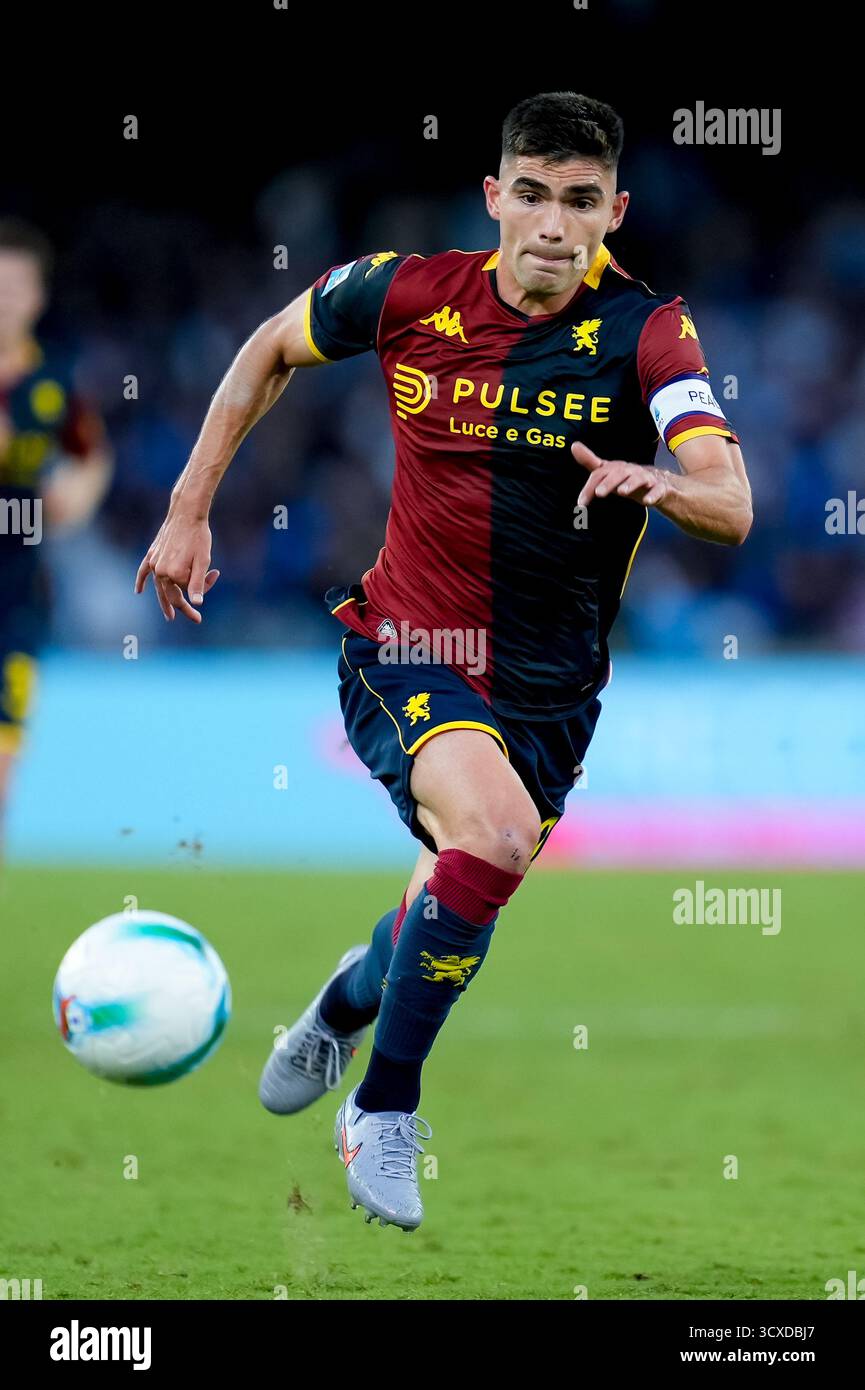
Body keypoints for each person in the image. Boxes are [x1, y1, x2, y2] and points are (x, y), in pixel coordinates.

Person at [135, 92, 752, 1231]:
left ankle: (340, 1004)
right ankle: (383, 1106)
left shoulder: (650, 330)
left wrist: (667, 483)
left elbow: (731, 499)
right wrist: (189, 508)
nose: (554, 226)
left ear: (612, 211)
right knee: (499, 837)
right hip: (405, 644)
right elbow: (269, 346)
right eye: (531, 195)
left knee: (459, 888)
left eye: (579, 203)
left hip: (553, 695)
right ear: (494, 198)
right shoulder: (409, 291)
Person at [0, 219, 112, 846]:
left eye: (16, 286)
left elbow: (92, 455)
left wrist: (80, 492)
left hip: (15, 602)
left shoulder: (55, 385)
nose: (5, 298)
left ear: (38, 297)